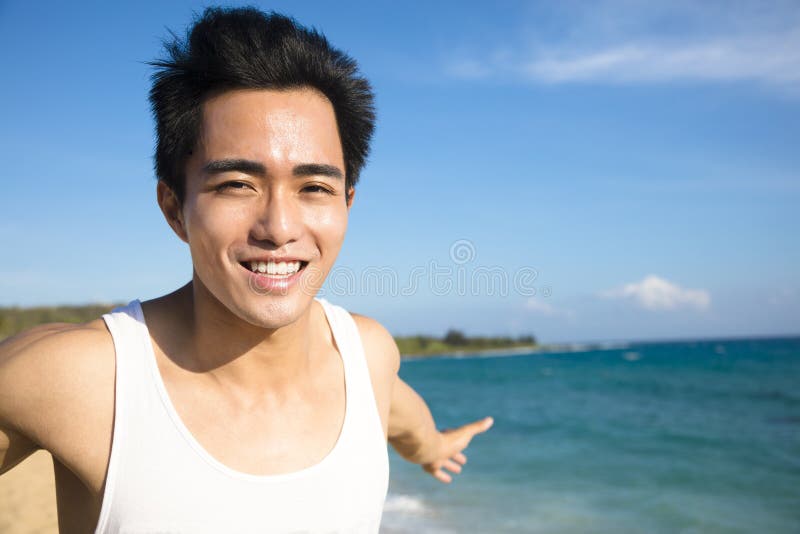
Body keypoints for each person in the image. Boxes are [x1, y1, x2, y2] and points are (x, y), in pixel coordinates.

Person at [0, 6, 493, 533]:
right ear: (174, 208)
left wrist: (433, 448)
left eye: (314, 187)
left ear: (347, 203)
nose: (279, 228)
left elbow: (402, 416)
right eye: (237, 184)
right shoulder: (82, 379)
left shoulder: (366, 354)